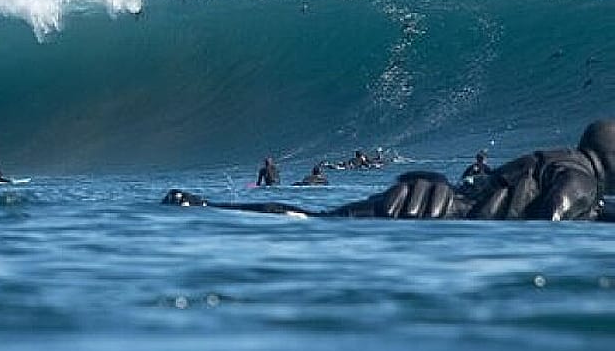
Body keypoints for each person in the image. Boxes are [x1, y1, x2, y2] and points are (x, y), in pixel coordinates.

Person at [164, 119, 615, 221]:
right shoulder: (580, 181)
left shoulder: (552, 155)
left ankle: (208, 205)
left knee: (325, 217)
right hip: (443, 212)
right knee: (320, 219)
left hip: (431, 198)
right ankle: (209, 206)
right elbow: (548, 221)